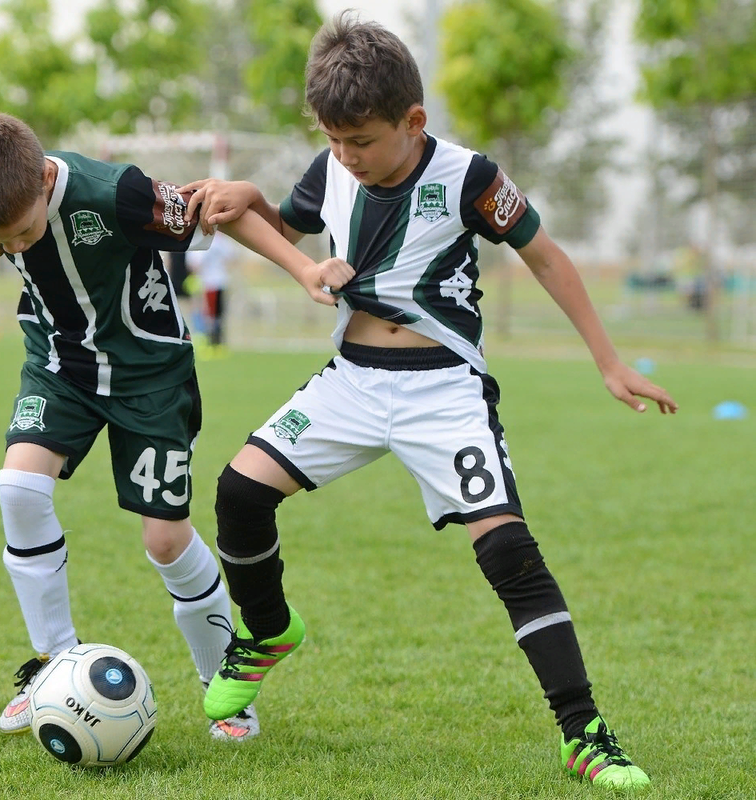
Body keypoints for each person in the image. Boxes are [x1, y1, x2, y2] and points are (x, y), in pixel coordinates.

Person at [181, 14, 677, 791]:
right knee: (240, 491)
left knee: (508, 550)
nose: (348, 156)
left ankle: (584, 733)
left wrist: (609, 361)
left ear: (415, 122)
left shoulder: (471, 176)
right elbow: (295, 234)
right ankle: (270, 633)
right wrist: (251, 201)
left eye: (363, 142)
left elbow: (546, 256)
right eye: (335, 141)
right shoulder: (334, 162)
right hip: (350, 380)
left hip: (443, 390)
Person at [0, 112, 351, 742]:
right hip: (58, 367)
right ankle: (53, 666)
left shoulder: (116, 192)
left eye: (20, 234)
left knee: (165, 541)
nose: (11, 248)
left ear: (43, 182)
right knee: (18, 489)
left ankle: (224, 691)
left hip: (150, 378)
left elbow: (218, 215)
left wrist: (304, 268)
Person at [186, 232, 240, 357]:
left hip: (211, 282)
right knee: (214, 314)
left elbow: (195, 263)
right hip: (216, 281)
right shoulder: (219, 240)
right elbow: (232, 257)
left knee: (211, 314)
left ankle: (214, 343)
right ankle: (214, 342)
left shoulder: (208, 241)